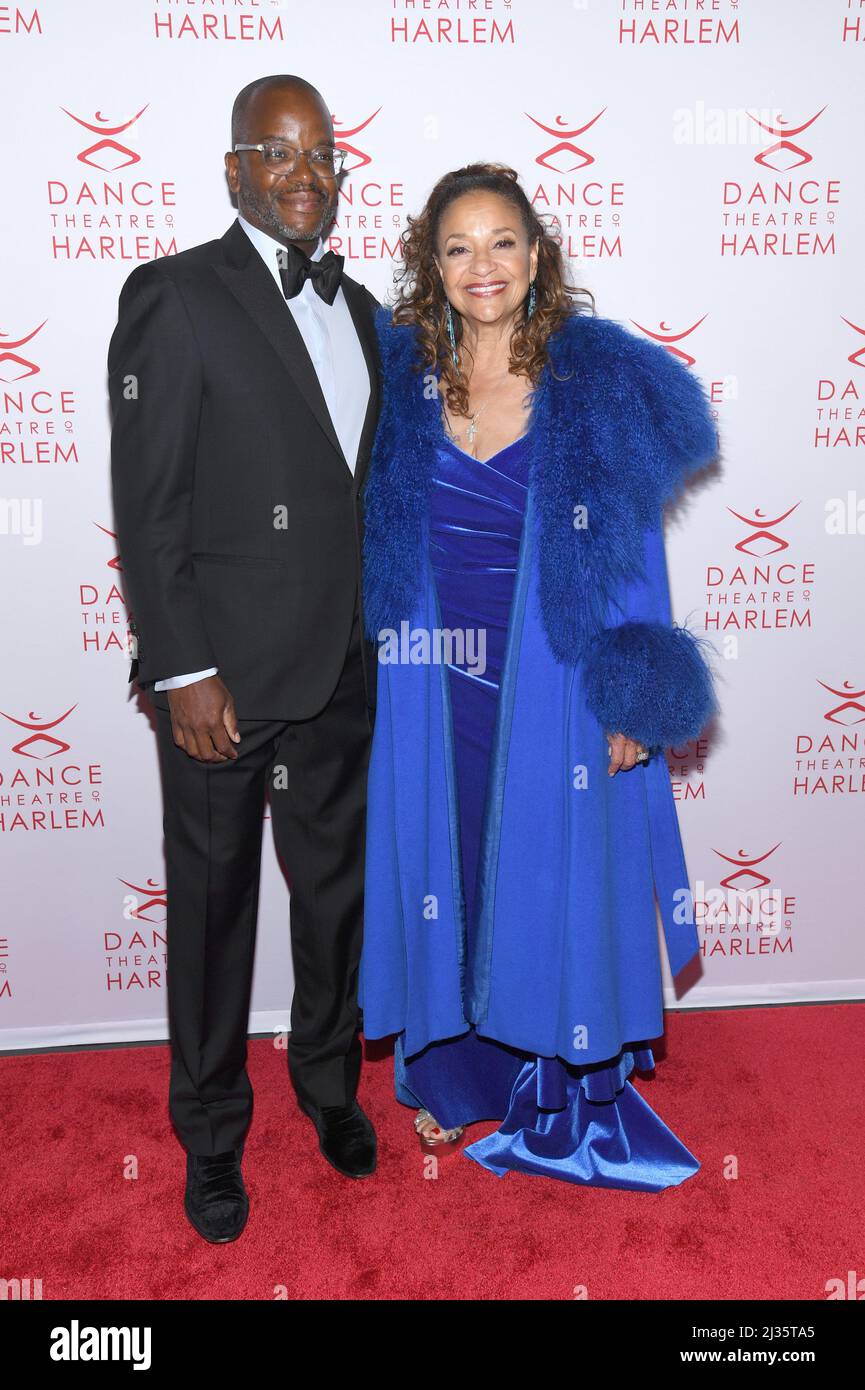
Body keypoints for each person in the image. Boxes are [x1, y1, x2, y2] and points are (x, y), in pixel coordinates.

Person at [358, 164, 719, 1189]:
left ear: (536, 253)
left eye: (502, 242)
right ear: (431, 264)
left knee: (546, 873)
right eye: (458, 246)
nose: (483, 265)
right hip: (428, 679)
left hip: (552, 676)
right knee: (448, 871)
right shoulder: (393, 376)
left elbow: (634, 553)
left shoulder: (593, 380)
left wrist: (633, 697)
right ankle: (450, 1079)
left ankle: (551, 1088)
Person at [108, 75, 380, 1243]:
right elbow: (148, 500)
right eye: (277, 150)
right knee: (215, 916)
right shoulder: (174, 295)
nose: (303, 171)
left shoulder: (361, 307)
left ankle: (328, 1084)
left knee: (334, 901)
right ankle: (212, 1136)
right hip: (222, 682)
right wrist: (181, 670)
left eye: (321, 153)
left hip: (341, 672)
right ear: (234, 171)